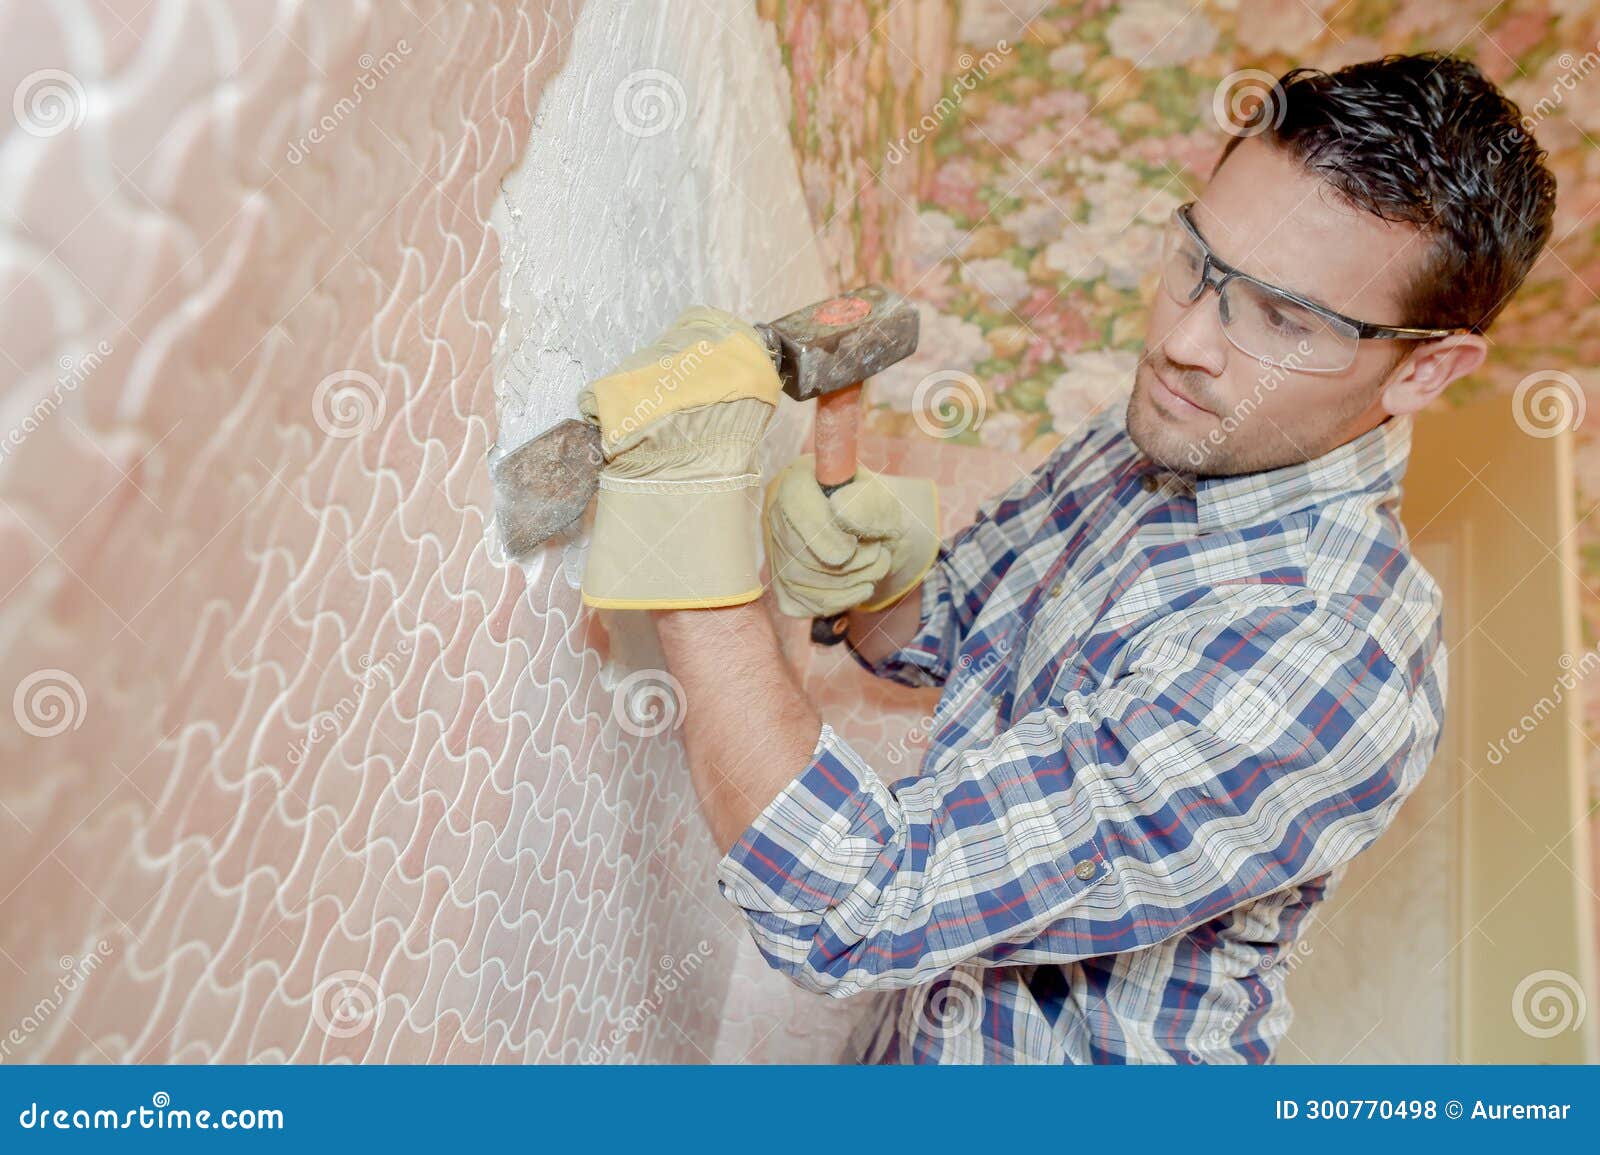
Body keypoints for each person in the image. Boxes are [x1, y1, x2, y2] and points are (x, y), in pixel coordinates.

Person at [574, 52, 1556, 1063]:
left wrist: (685, 542)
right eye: (1198, 262)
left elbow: (855, 903)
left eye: (1282, 319)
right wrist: (879, 576)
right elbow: (959, 632)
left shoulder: (1325, 663)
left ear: (1425, 369)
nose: (1184, 339)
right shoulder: (1178, 426)